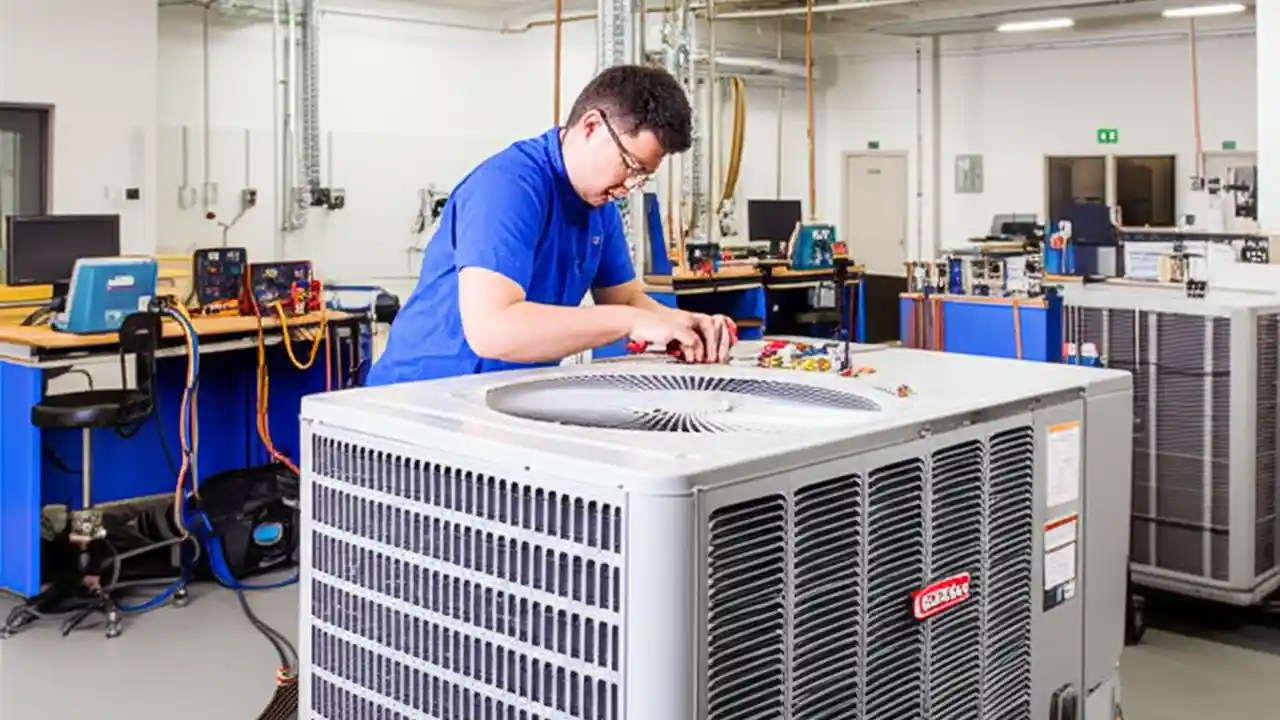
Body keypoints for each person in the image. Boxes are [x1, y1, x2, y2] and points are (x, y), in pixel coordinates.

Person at [367, 65, 736, 386]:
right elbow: (493, 330)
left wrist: (688, 325)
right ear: (591, 126)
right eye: (630, 165)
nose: (630, 186)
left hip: (497, 394)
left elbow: (625, 298)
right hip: (420, 400)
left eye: (643, 178)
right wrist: (629, 321)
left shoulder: (599, 202)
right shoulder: (509, 186)